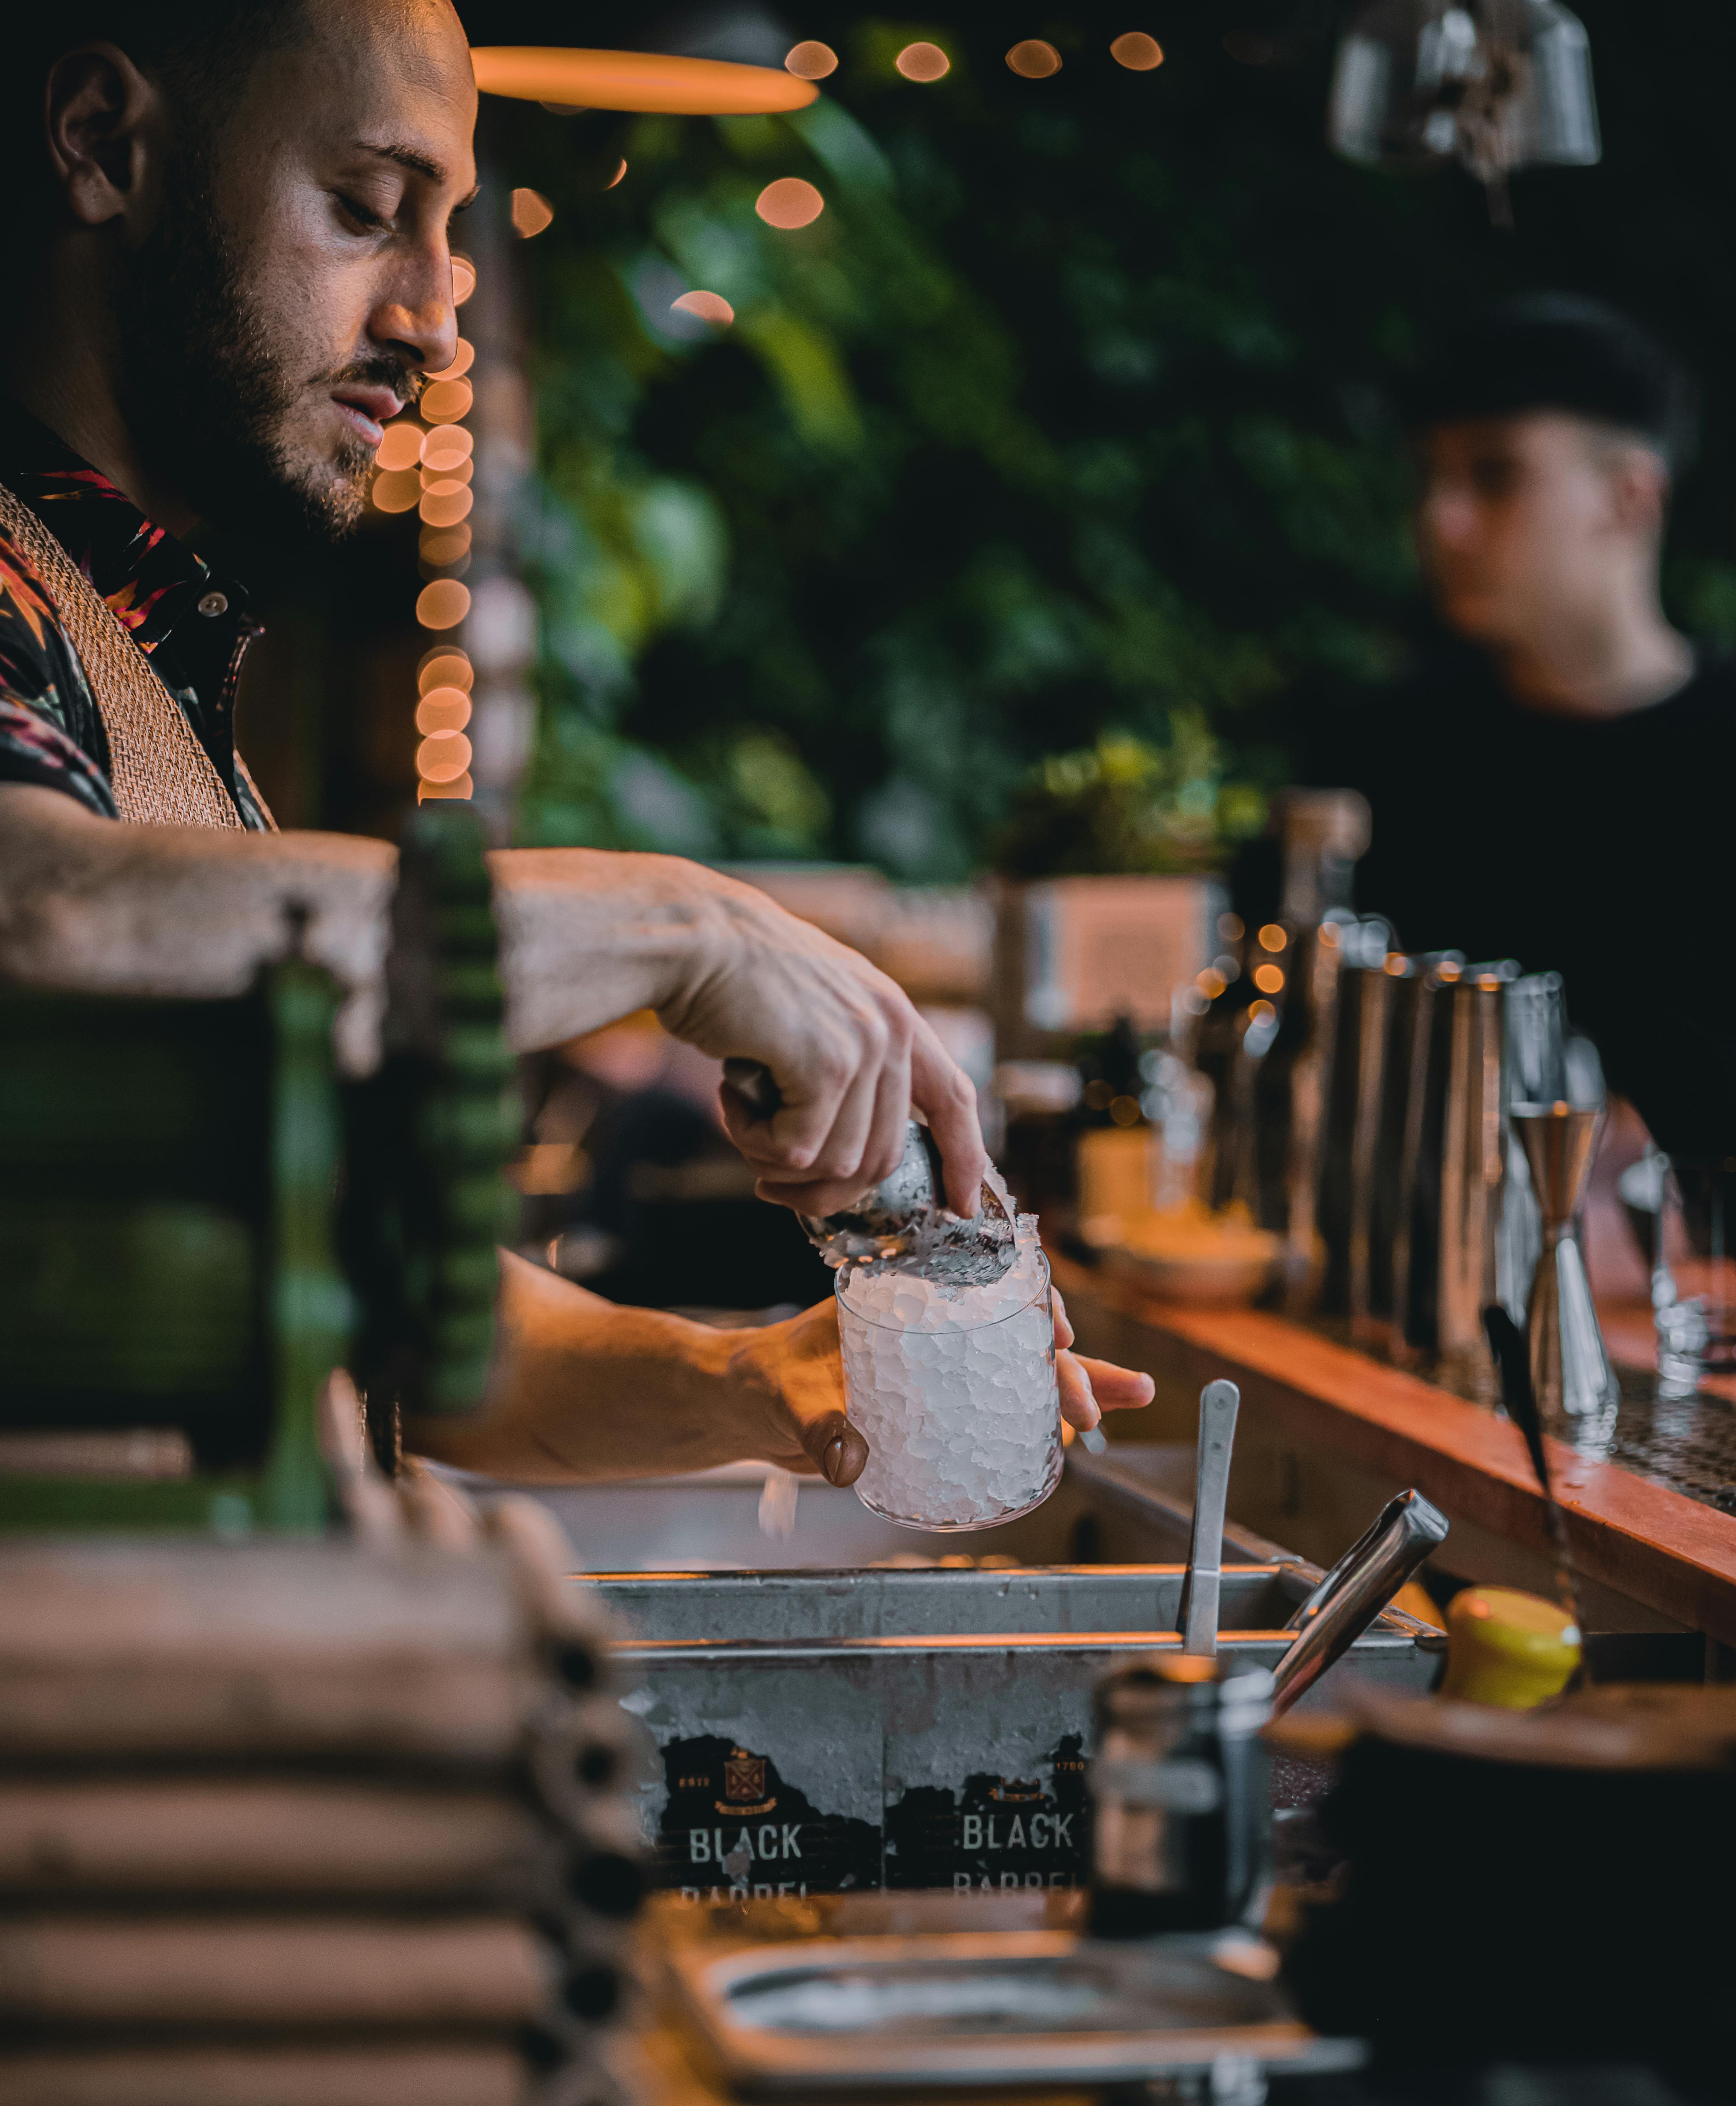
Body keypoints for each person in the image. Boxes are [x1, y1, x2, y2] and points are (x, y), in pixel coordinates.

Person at [0, 2, 1154, 1481]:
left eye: (446, 232)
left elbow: (365, 1310)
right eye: (367, 208)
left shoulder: (127, 634)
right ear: (103, 143)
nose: (434, 319)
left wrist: (752, 1379)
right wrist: (684, 930)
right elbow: (44, 918)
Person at [1313, 293, 1731, 1155]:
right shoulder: (1381, 758)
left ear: (1628, 499)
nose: (1442, 521)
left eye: (1495, 476)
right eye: (1431, 480)